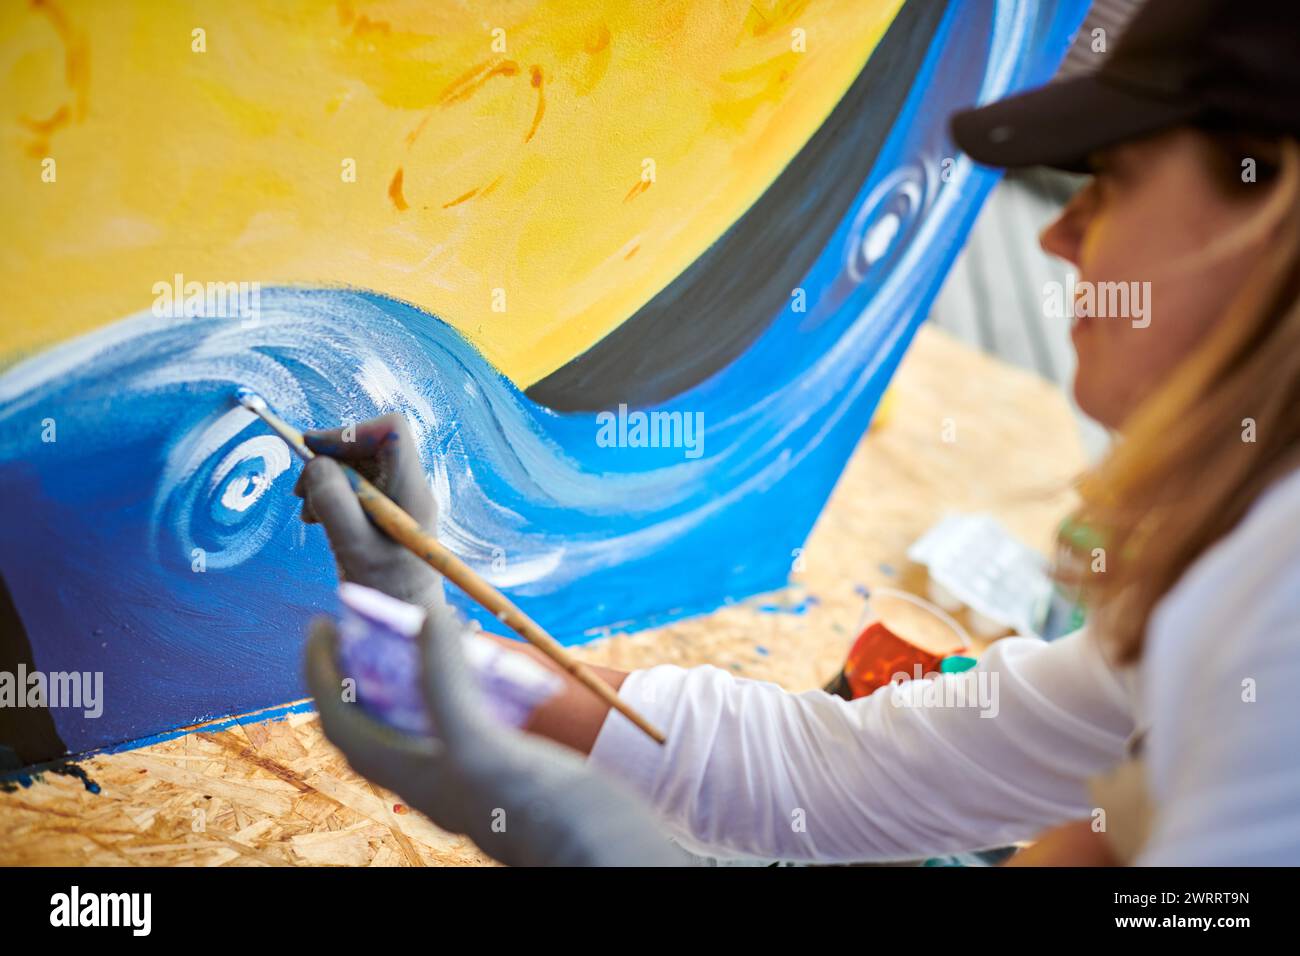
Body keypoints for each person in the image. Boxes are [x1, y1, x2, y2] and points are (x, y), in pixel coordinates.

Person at [301, 0, 1300, 866]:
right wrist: (454, 661)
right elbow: (843, 771)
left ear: (1272, 203)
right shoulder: (1238, 557)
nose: (1058, 231)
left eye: (1113, 179)